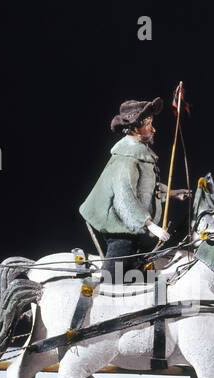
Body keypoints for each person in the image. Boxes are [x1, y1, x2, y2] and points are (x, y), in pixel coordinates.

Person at [78, 97, 190, 279]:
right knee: (113, 277)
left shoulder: (141, 155)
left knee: (145, 267)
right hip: (119, 227)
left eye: (152, 123)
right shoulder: (126, 160)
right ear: (135, 129)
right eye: (148, 124)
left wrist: (172, 193)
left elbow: (145, 189)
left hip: (132, 225)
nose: (153, 129)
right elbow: (125, 199)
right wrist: (151, 226)